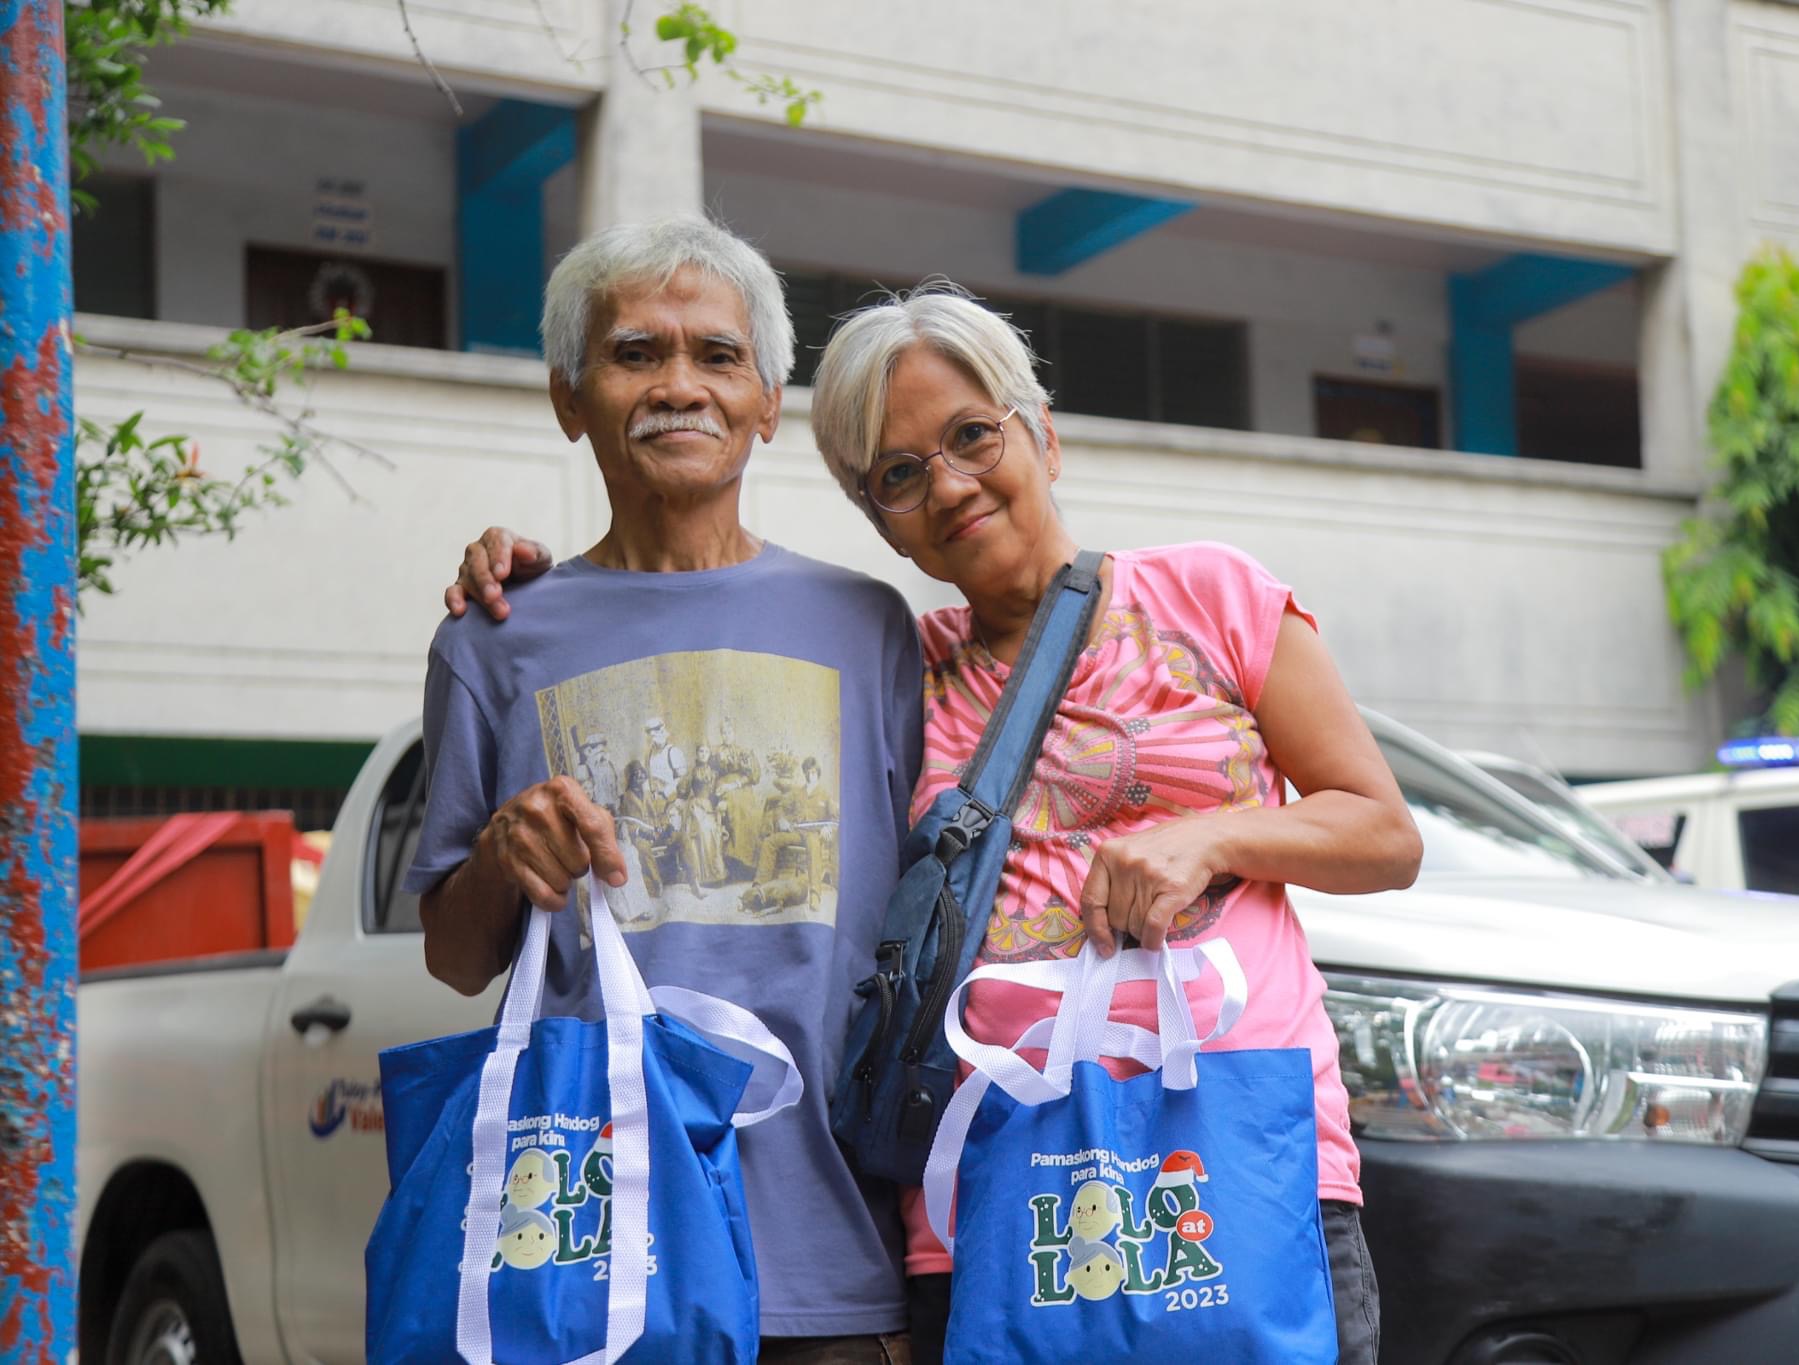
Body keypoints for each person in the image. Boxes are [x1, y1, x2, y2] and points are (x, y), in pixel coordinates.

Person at [449, 285, 1421, 1364]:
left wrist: (1213, 836)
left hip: (1237, 1158)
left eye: (971, 437)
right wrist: (539, 586)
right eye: (899, 477)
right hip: (994, 1192)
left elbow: (1382, 833)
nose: (949, 486)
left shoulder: (1211, 595)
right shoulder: (892, 663)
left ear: (1040, 435)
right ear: (883, 528)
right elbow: (711, 641)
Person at [409, 216, 922, 1361]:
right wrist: (503, 853)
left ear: (767, 403)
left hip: (831, 1254)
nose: (677, 386)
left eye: (717, 356)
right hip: (594, 1245)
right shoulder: (496, 638)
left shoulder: (869, 627)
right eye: (635, 354)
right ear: (568, 397)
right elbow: (451, 957)